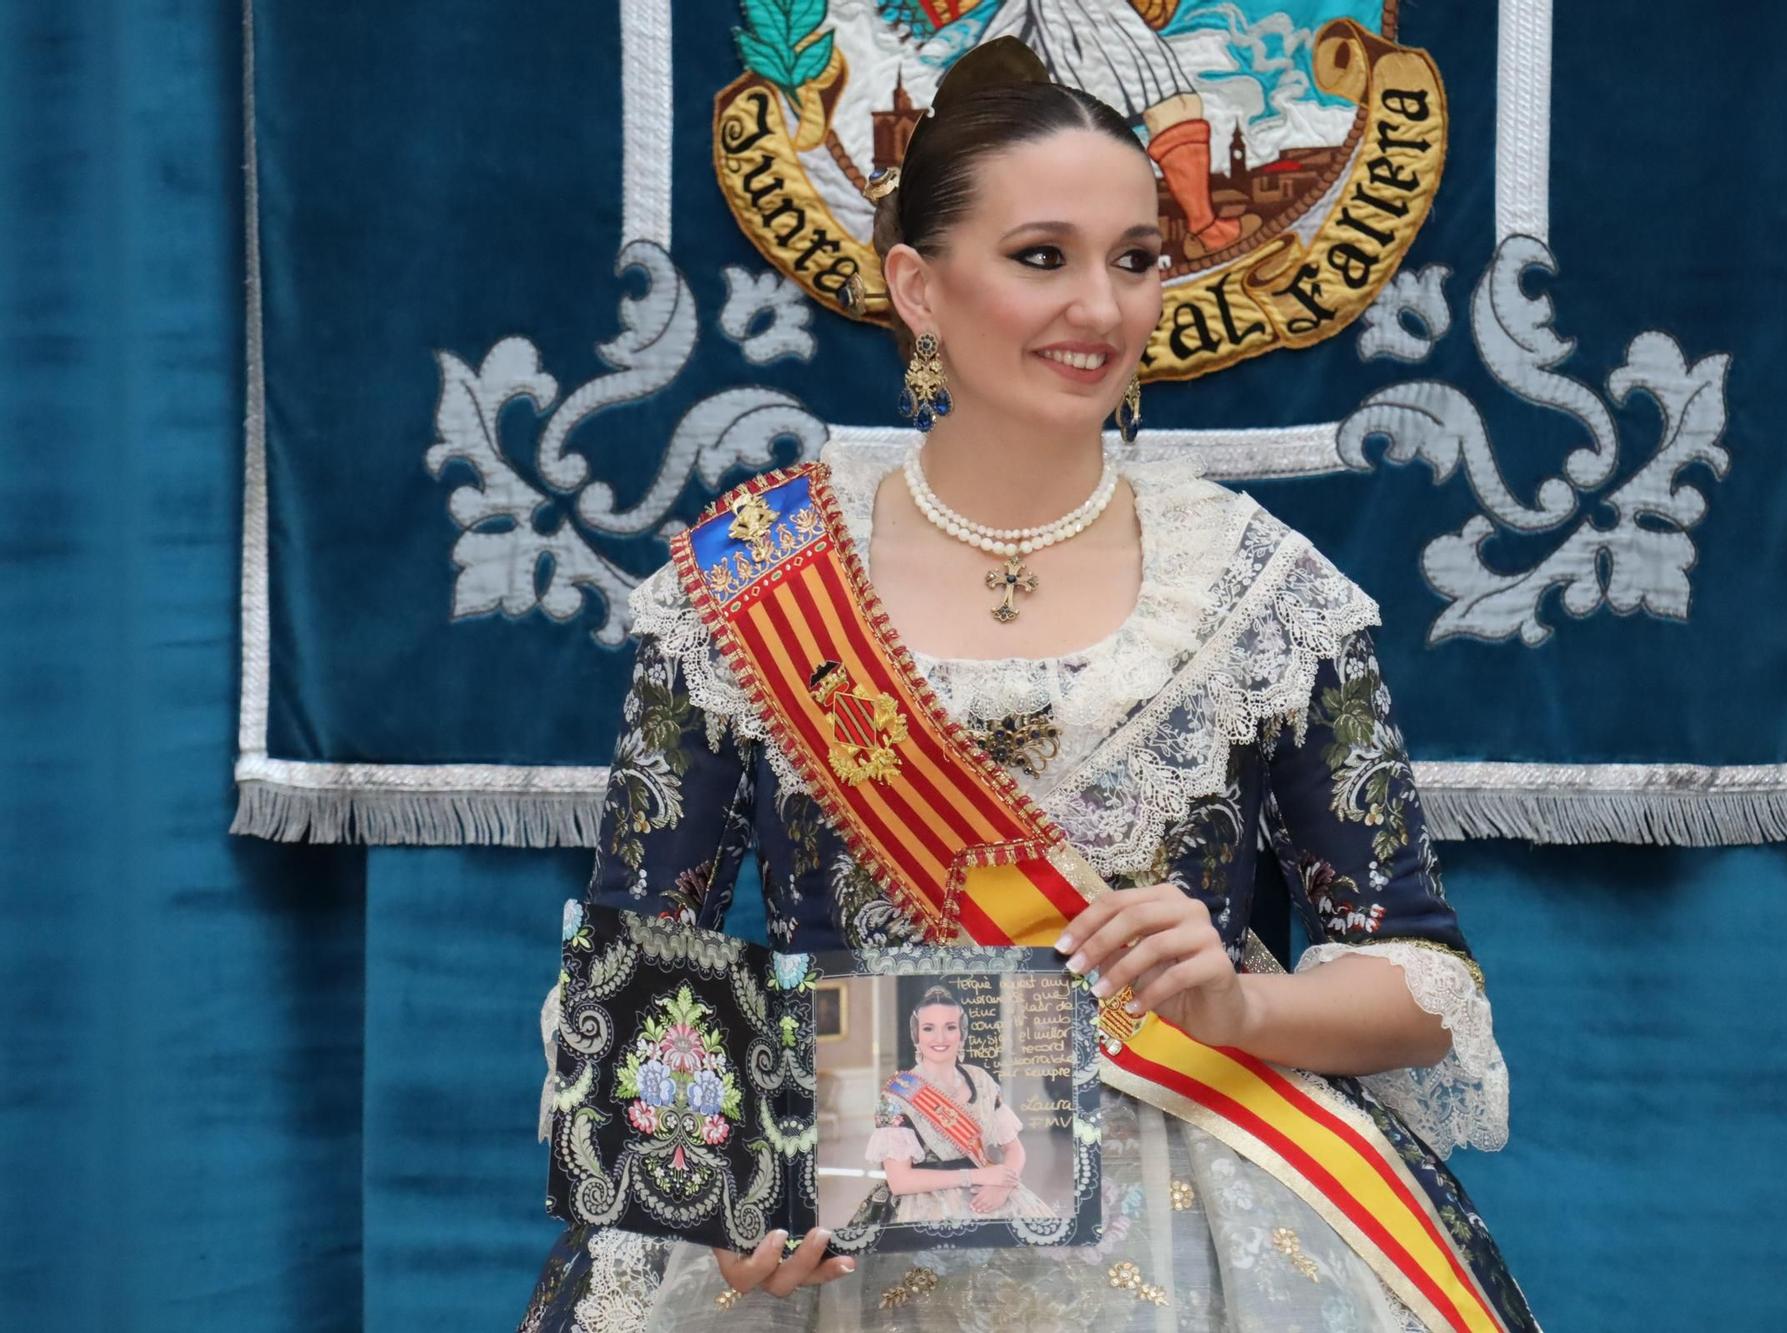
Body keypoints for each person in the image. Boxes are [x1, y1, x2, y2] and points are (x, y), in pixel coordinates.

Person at [519, 37, 1536, 1333]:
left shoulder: (1259, 588)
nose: (1101, 311)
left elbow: (1419, 982)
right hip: (842, 1232)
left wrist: (1240, 1000)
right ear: (918, 286)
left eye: (1137, 259)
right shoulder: (754, 580)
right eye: (1042, 257)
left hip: (1209, 1226)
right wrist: (715, 1208)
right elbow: (643, 952)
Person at [848, 986, 1062, 1226]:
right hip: (923, 1203)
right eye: (929, 1029)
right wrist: (976, 1176)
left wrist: (1002, 1186)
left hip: (989, 1190)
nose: (940, 1038)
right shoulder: (897, 1095)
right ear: (916, 1035)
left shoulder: (981, 1080)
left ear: (962, 1033)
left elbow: (1015, 1150)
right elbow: (900, 1181)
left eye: (950, 1027)